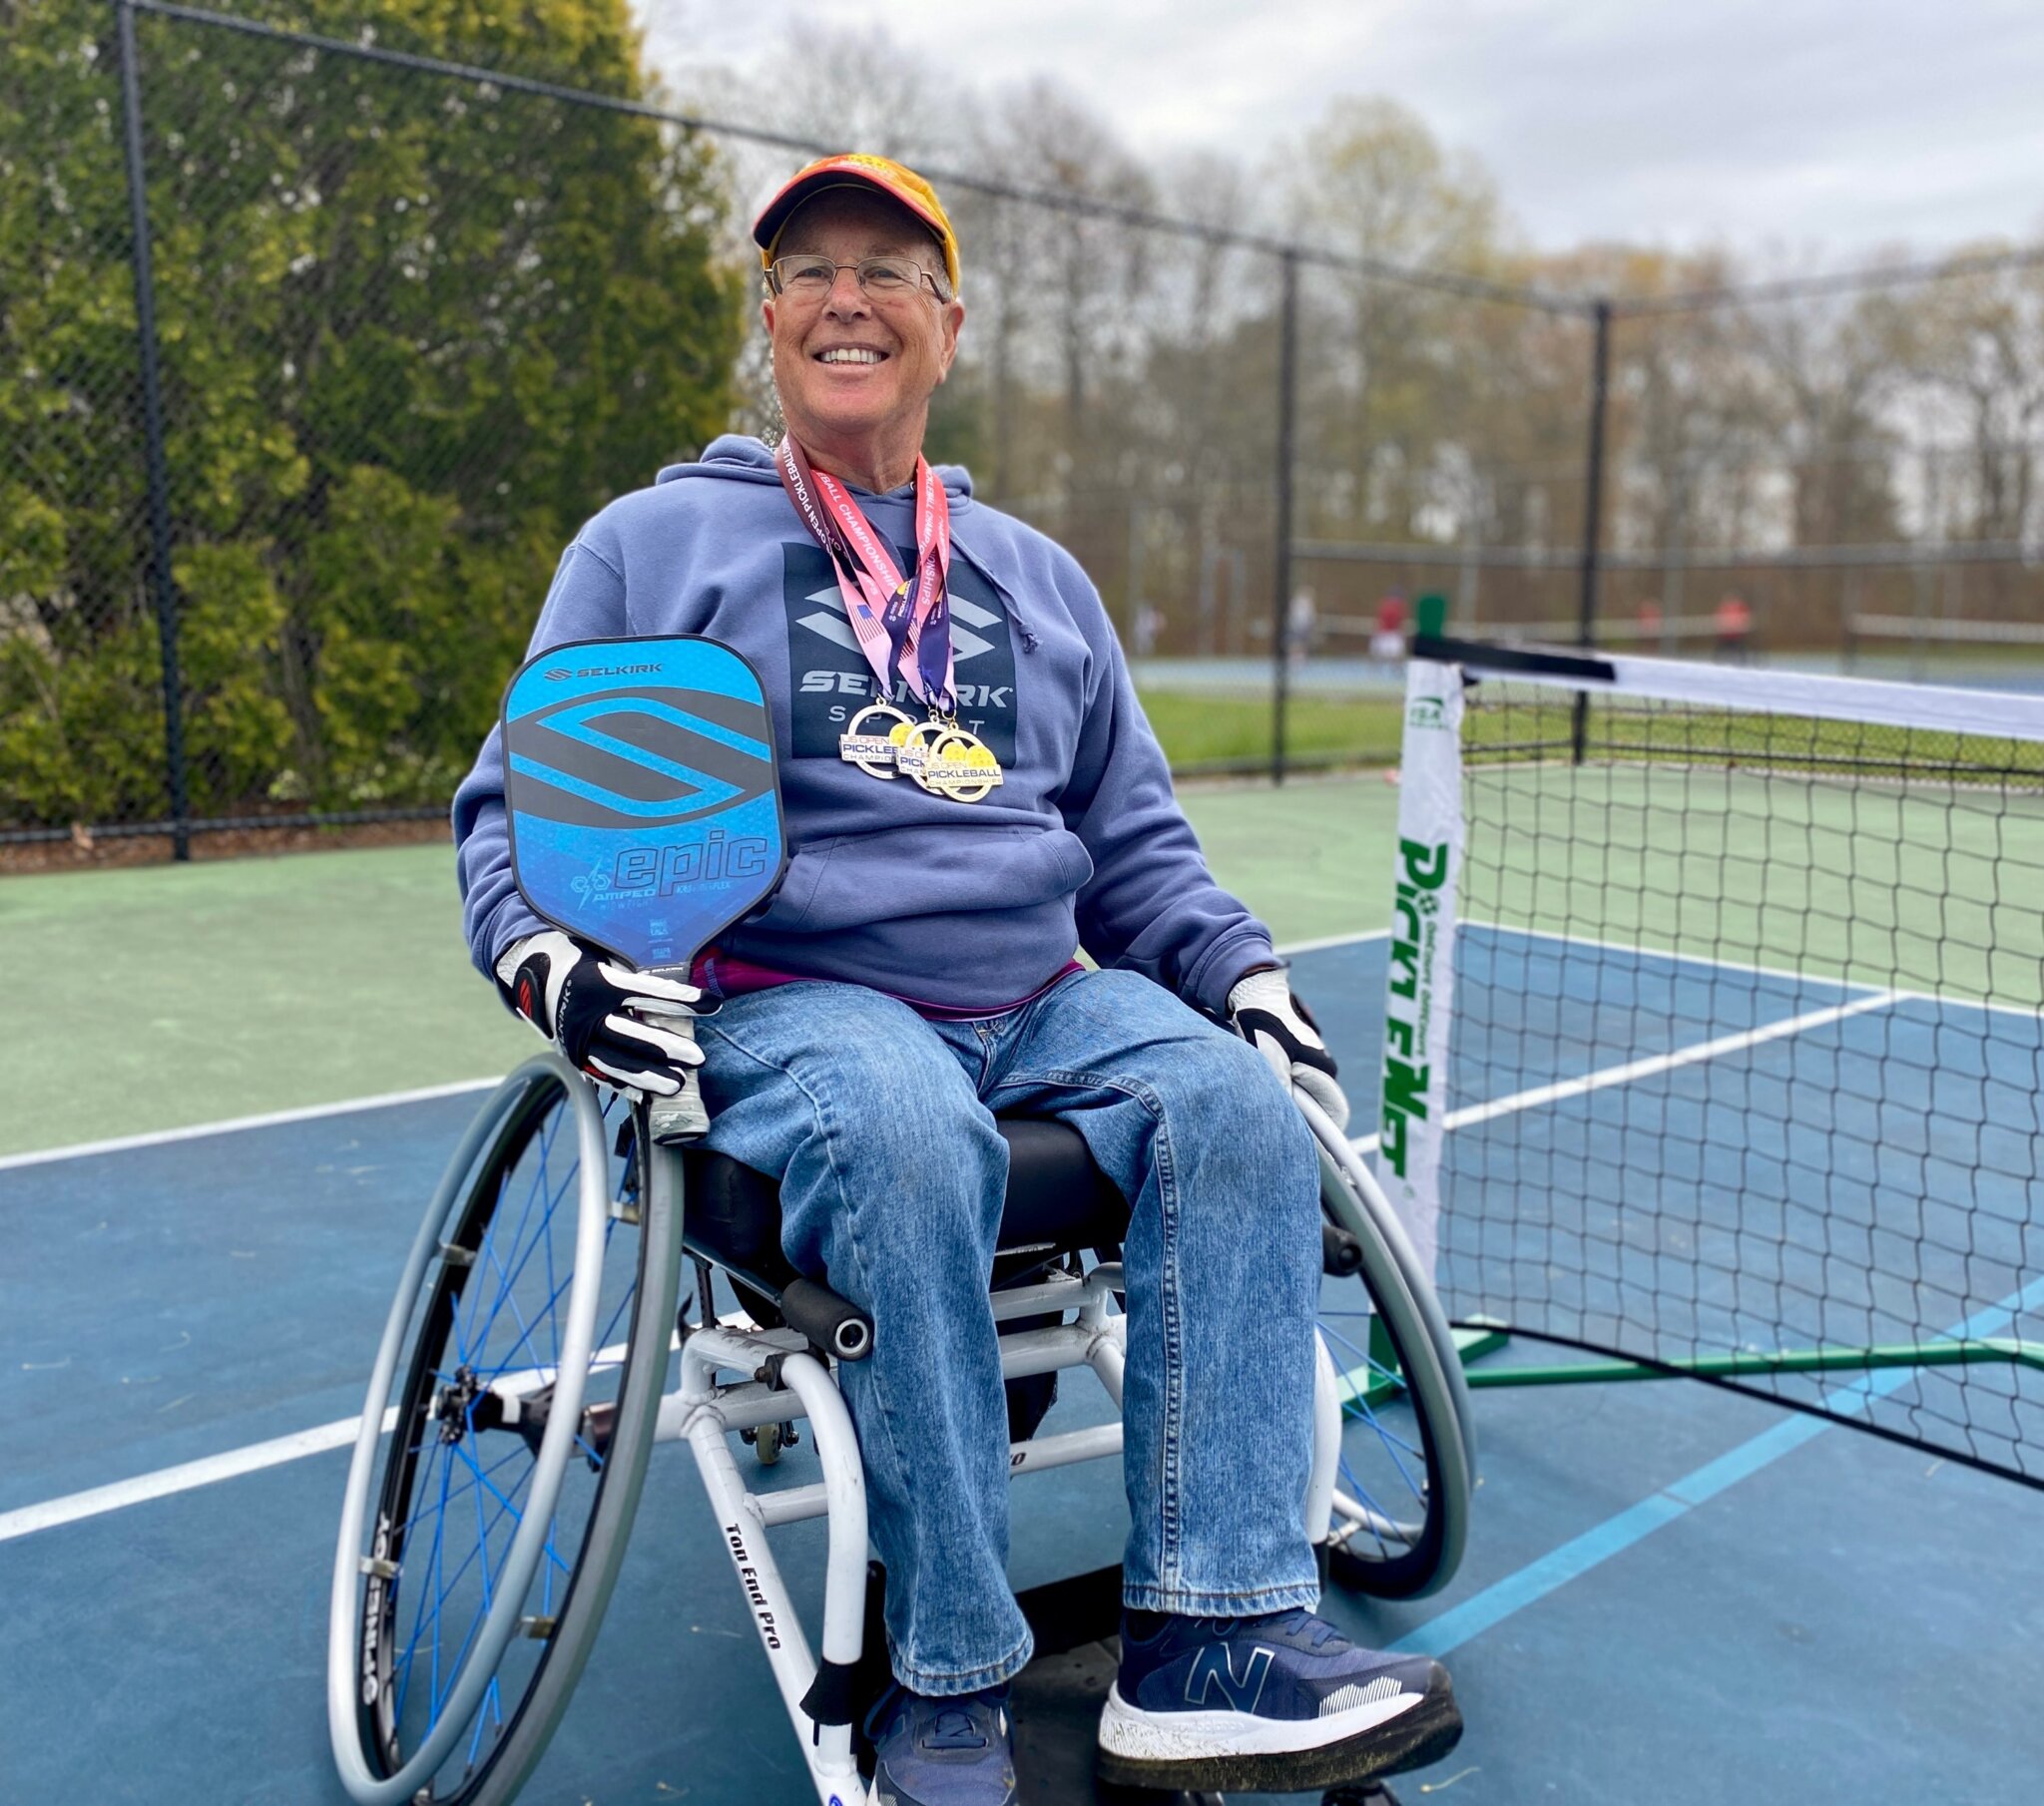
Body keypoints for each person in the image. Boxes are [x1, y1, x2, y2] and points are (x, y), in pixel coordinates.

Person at [452, 152, 1460, 1805]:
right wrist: (542, 956)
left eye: (888, 271)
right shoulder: (651, 544)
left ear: (948, 324)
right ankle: (945, 1666)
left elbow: (1135, 843)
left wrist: (1244, 973)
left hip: (1041, 992)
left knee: (1237, 1109)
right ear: (768, 318)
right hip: (794, 989)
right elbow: (520, 802)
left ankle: (1206, 1642)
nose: (846, 298)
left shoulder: (1039, 578)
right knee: (908, 1131)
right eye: (808, 272)